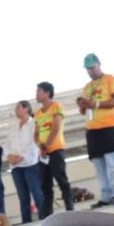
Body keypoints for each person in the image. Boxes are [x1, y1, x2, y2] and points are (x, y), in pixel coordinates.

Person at [78, 53, 114, 207]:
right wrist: (83, 105)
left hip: (108, 126)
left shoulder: (111, 80)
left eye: (92, 67)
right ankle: (105, 196)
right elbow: (83, 111)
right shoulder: (87, 87)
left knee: (113, 163)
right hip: (92, 129)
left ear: (99, 64)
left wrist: (96, 104)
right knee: (99, 166)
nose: (91, 71)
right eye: (88, 69)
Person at [34, 82, 74, 217]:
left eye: (39, 91)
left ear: (47, 92)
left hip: (56, 149)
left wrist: (46, 145)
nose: (36, 94)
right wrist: (40, 145)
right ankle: (47, 214)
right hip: (44, 153)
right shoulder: (38, 113)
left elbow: (56, 128)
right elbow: (36, 133)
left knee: (62, 180)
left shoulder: (57, 106)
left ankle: (70, 208)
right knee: (45, 185)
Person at [7, 100, 46, 224]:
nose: (16, 110)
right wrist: (9, 156)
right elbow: (7, 144)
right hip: (15, 167)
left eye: (18, 107)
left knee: (36, 192)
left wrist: (20, 156)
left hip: (30, 164)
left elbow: (32, 143)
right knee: (23, 196)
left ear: (26, 109)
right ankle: (26, 221)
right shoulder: (13, 127)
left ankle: (44, 218)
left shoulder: (33, 124)